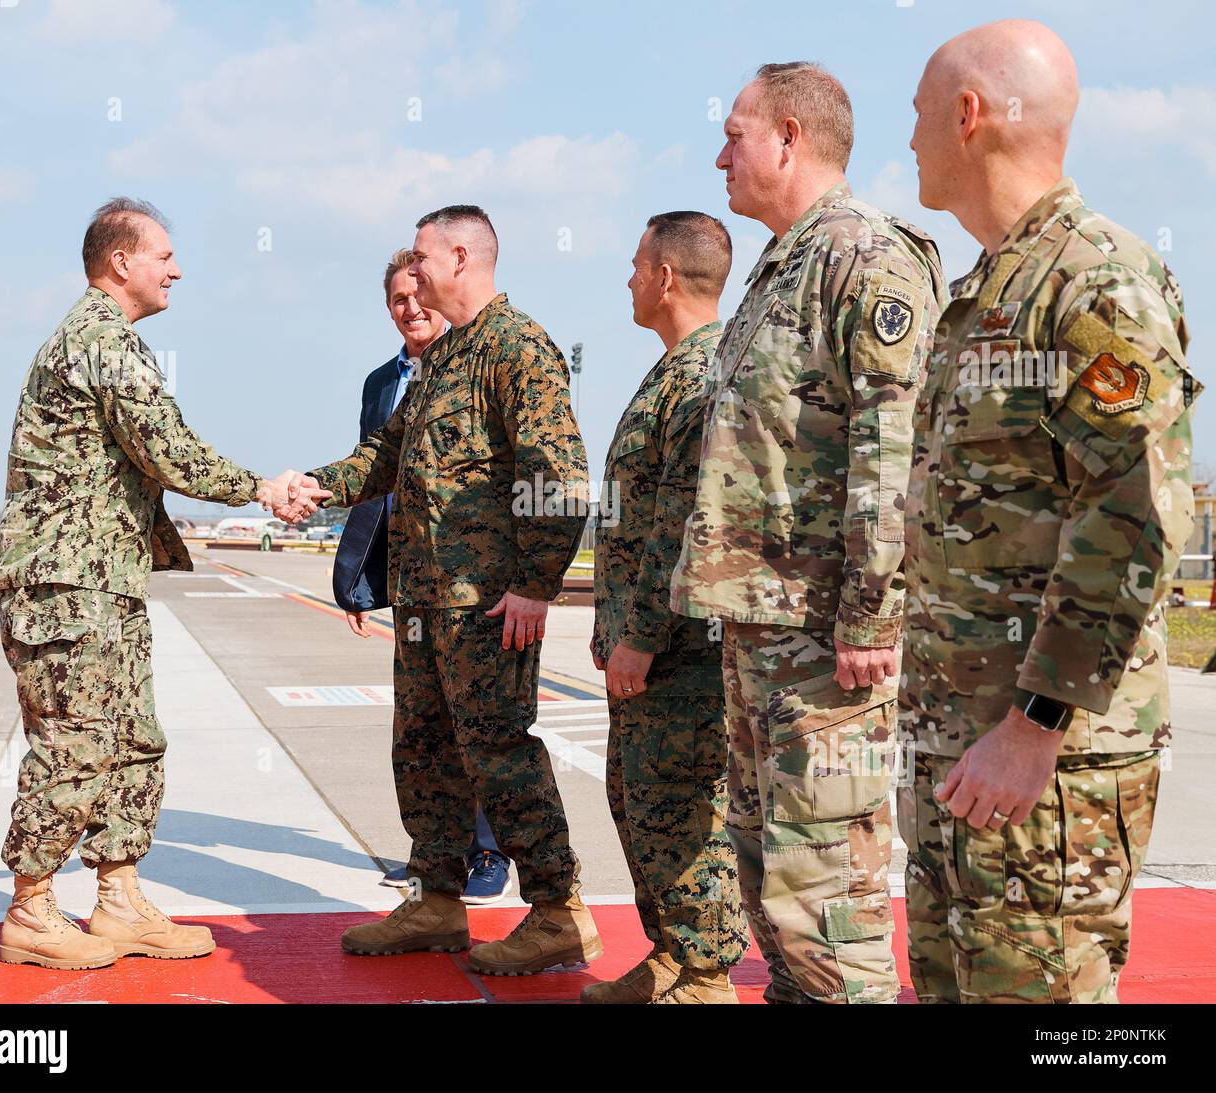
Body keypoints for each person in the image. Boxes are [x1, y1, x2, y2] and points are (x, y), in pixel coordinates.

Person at [901, 19, 1201, 1003]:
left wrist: (1036, 720)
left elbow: (1135, 523)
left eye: (917, 115)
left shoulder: (1093, 283)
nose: (908, 140)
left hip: (1046, 763)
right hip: (960, 746)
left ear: (968, 116)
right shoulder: (985, 290)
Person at [670, 63, 945, 1003]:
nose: (721, 156)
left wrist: (872, 614)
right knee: (773, 878)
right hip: (765, 625)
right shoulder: (783, 265)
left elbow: (895, 446)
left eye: (734, 134)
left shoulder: (866, 258)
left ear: (789, 137)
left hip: (826, 640)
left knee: (829, 887)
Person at [0, 197, 324, 970]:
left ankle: (117, 898)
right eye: (164, 255)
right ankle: (31, 906)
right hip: (67, 587)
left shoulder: (104, 340)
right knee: (75, 743)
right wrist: (262, 487)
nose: (176, 269)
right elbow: (168, 449)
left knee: (133, 739)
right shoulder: (105, 341)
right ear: (120, 262)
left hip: (102, 583)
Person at [296, 206, 599, 975]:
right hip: (427, 612)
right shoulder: (442, 361)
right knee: (423, 752)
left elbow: (559, 480)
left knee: (500, 755)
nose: (416, 272)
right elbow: (382, 457)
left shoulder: (517, 348)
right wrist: (311, 486)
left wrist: (536, 585)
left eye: (425, 256)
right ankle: (436, 898)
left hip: (489, 610)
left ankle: (559, 910)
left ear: (461, 256)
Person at [583, 212, 748, 1005]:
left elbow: (685, 527)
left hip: (682, 651)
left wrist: (640, 636)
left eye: (637, 263)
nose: (629, 278)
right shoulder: (674, 368)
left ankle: (709, 974)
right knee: (640, 799)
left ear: (666, 277)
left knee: (682, 808)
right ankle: (673, 955)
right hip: (647, 647)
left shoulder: (703, 375)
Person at [338, 248, 512, 904]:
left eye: (417, 295)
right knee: (424, 727)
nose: (408, 309)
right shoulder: (381, 383)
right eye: (395, 301)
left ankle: (489, 850)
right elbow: (371, 483)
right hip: (414, 579)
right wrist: (355, 576)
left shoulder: (478, 365)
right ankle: (437, 855)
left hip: (475, 578)